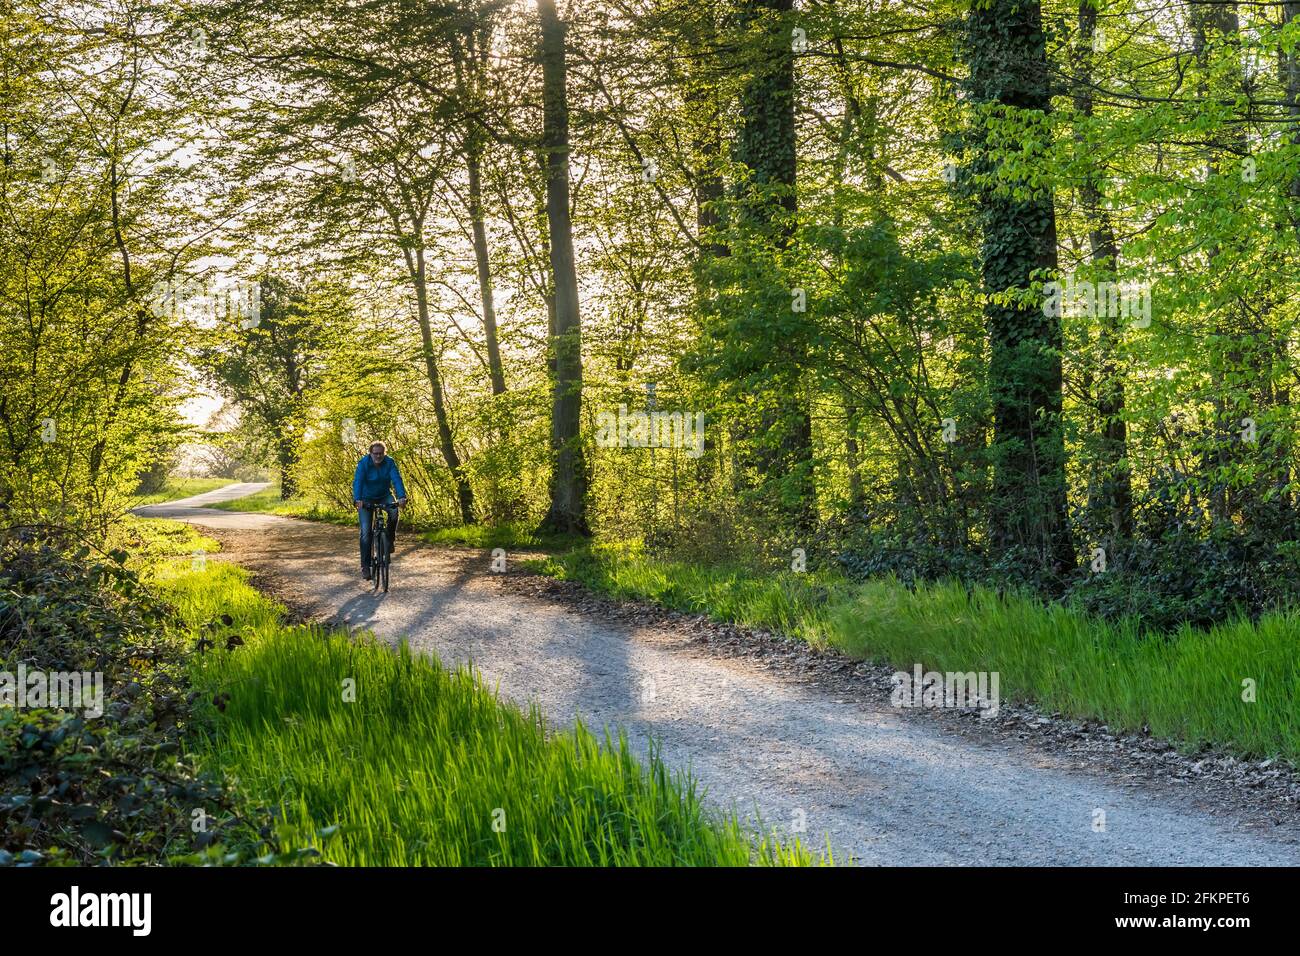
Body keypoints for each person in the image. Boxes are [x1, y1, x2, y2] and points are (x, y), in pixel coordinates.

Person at [353, 441, 408, 580]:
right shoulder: (363, 463)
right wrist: (357, 499)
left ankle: (389, 541)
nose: (378, 456)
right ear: (370, 453)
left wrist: (401, 497)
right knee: (366, 531)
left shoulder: (389, 462)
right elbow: (358, 481)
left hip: (384, 495)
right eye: (375, 453)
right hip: (365, 498)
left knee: (394, 512)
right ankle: (365, 566)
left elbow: (396, 479)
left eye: (381, 453)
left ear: (384, 453)